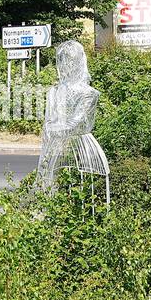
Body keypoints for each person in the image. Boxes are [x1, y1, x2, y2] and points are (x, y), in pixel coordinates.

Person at [36, 40, 103, 191]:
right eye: (64, 60)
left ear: (80, 61)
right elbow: (50, 120)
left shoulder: (89, 93)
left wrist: (53, 129)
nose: (67, 64)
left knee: (83, 183)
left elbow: (77, 123)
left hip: (81, 145)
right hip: (56, 148)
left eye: (71, 60)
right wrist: (51, 128)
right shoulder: (54, 91)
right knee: (52, 182)